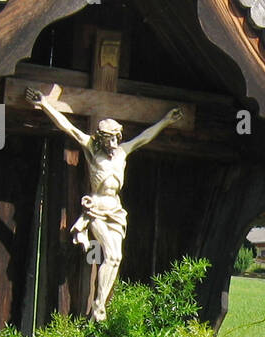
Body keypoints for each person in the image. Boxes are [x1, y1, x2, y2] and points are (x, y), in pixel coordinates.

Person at [25, 85, 183, 320]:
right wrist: (45, 104)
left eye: (114, 139)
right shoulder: (91, 149)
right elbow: (68, 127)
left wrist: (166, 121)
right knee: (109, 253)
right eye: (107, 140)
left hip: (116, 210)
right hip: (97, 209)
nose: (111, 144)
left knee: (116, 257)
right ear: (101, 139)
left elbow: (145, 137)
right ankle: (98, 307)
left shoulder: (122, 152)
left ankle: (99, 305)